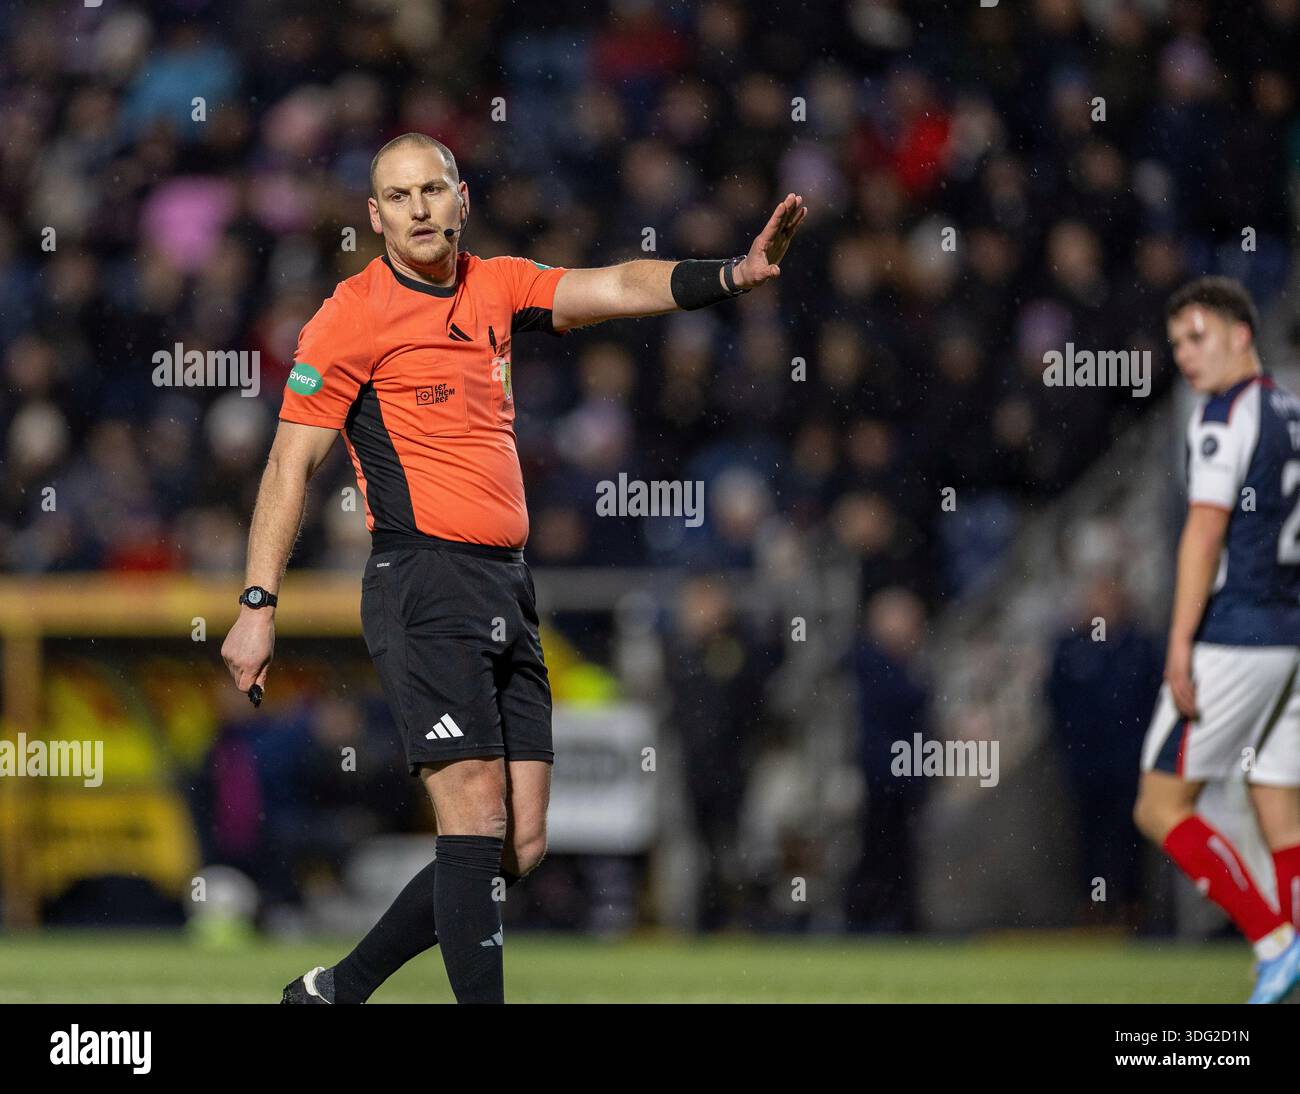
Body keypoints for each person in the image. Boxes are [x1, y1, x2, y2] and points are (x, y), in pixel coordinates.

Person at [220, 132, 806, 1003]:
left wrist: (733, 273)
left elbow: (613, 284)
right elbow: (288, 465)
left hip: (506, 585)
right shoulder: (349, 315)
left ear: (461, 198)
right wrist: (258, 602)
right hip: (422, 582)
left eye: (433, 189)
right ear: (374, 216)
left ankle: (334, 991)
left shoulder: (496, 286)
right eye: (399, 195)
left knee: (516, 847)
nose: (419, 208)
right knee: (473, 821)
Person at [1133, 276, 1300, 1004]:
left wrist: (1179, 641)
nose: (1185, 355)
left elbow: (1204, 531)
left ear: (1241, 333)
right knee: (1277, 802)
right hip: (1293, 636)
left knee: (1159, 805)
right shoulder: (1293, 410)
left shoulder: (1222, 416)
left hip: (1238, 635)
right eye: (1175, 345)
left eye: (1196, 336)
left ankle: (1273, 940)